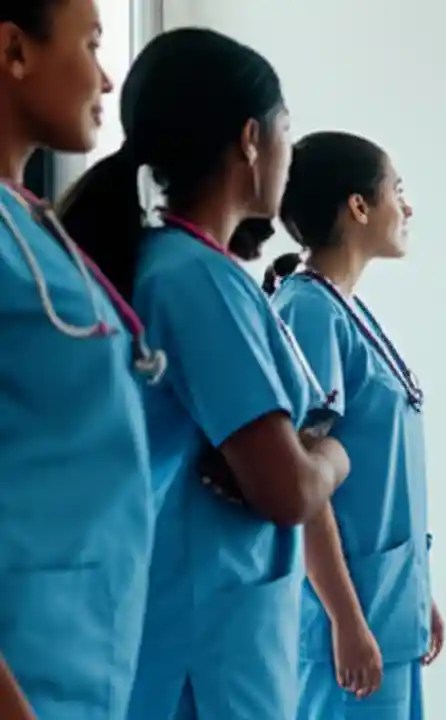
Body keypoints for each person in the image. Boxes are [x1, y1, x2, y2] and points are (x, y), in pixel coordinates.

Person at [57, 28, 351, 719]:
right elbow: (287, 489)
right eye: (286, 130)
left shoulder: (185, 267)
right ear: (251, 138)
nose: (289, 153)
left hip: (209, 625)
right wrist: (333, 455)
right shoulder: (195, 281)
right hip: (206, 646)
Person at [0, 2, 160, 718]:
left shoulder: (33, 226)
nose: (104, 75)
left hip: (79, 665)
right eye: (91, 43)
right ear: (14, 51)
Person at [263, 131, 443, 720]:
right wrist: (344, 616)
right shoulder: (308, 310)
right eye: (398, 190)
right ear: (359, 206)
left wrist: (418, 595)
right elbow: (302, 477)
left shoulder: (346, 308)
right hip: (347, 620)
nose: (408, 206)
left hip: (387, 606)